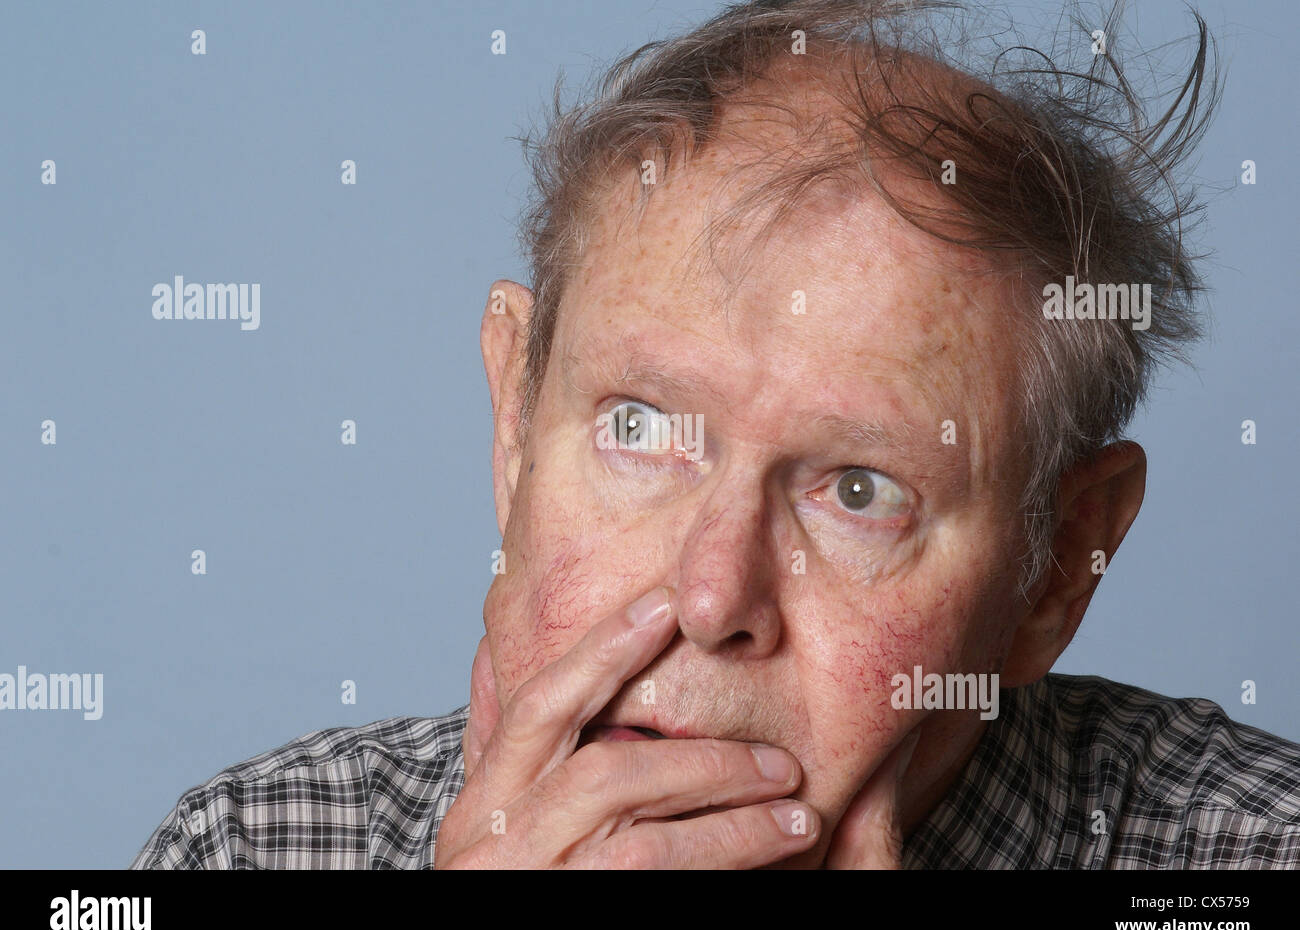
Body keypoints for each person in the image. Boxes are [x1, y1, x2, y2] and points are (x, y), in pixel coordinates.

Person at [132, 0, 1300, 869]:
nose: (710, 596)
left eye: (857, 490)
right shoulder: (251, 848)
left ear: (1057, 567)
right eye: (638, 428)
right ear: (513, 425)